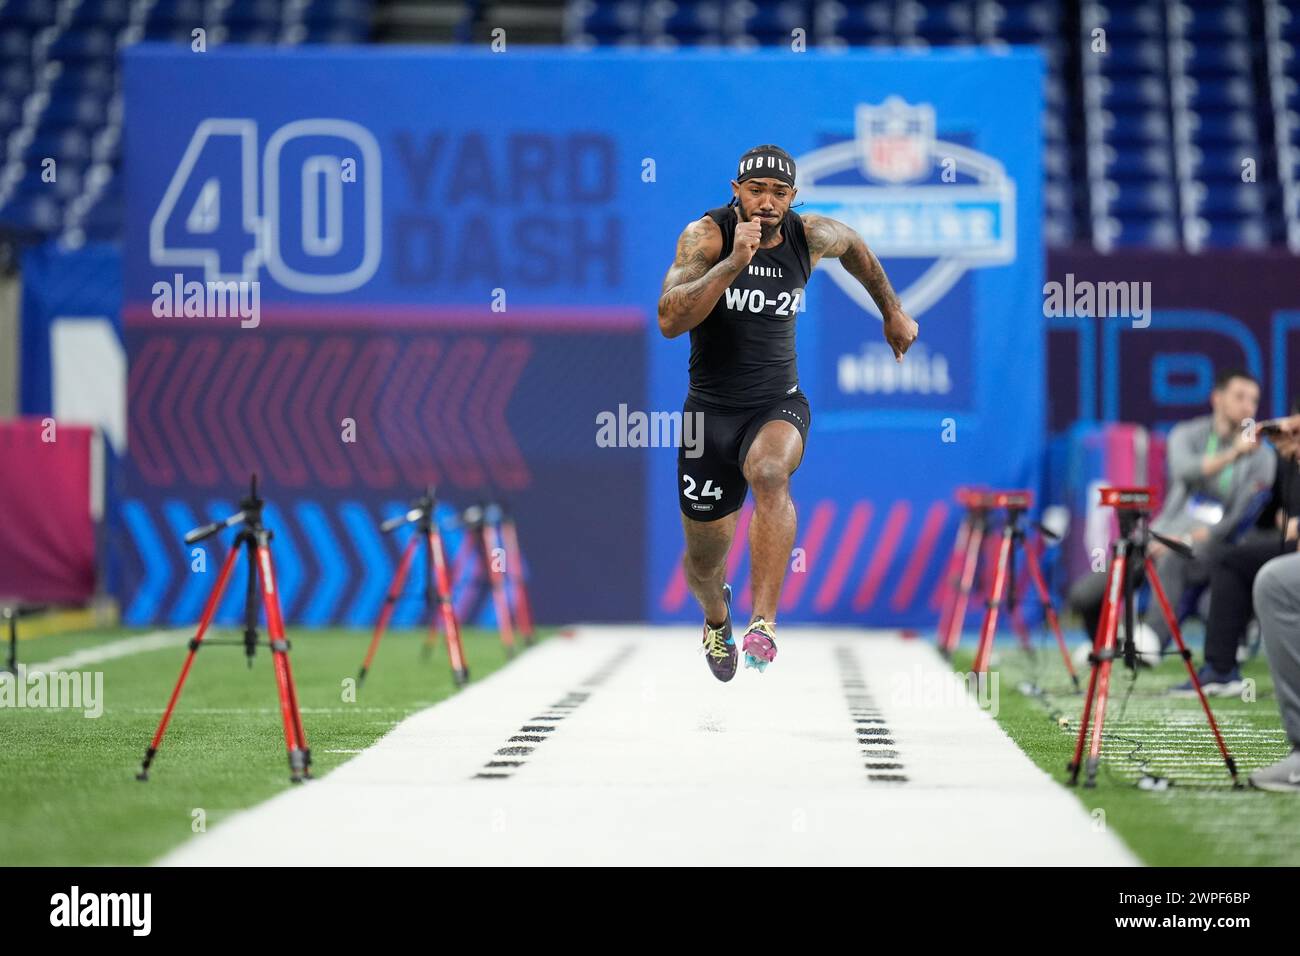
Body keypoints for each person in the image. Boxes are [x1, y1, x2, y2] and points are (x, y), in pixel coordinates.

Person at [657, 144, 917, 681]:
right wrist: (733, 264)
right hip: (708, 416)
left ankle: (764, 622)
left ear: (793, 198)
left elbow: (857, 250)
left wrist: (891, 310)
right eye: (756, 190)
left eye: (779, 193)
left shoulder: (809, 234)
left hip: (776, 403)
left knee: (772, 472)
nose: (767, 202)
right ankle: (716, 617)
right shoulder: (705, 236)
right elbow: (668, 320)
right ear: (736, 190)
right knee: (704, 562)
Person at [1067, 369, 1276, 662]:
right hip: (1160, 534)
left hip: (1216, 545)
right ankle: (1106, 642)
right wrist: (1233, 454)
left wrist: (1185, 538)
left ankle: (1151, 641)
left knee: (1175, 558)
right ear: (1217, 398)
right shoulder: (1186, 434)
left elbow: (1238, 519)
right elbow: (1185, 470)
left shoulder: (1263, 457)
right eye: (1239, 397)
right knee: (1084, 595)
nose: (1248, 407)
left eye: (1254, 400)